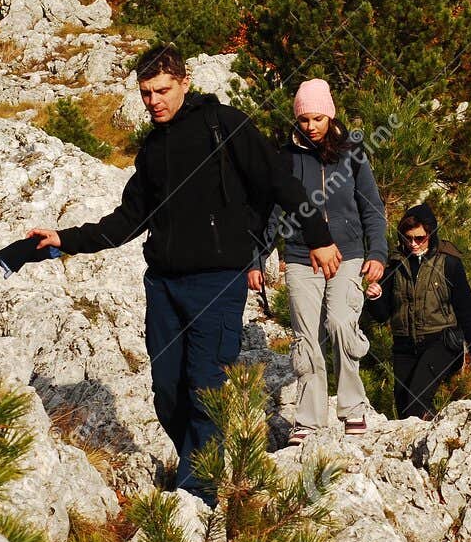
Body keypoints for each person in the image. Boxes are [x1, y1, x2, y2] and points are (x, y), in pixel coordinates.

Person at [24, 44, 340, 501]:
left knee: (204, 387)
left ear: (185, 82)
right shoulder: (153, 149)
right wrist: (65, 239)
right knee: (166, 393)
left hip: (218, 282)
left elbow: (280, 183)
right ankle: (199, 469)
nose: (154, 101)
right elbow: (128, 219)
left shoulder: (226, 125)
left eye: (162, 90)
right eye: (145, 93)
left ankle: (200, 493)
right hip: (164, 287)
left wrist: (319, 236)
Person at [248, 79, 387, 445]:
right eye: (304, 119)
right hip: (299, 255)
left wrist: (378, 254)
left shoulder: (353, 152)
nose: (310, 126)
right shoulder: (286, 157)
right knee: (306, 337)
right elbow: (271, 212)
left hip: (350, 254)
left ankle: (353, 407)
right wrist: (257, 258)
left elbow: (372, 206)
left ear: (330, 115)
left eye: (317, 119)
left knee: (341, 322)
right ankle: (307, 420)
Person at [364, 202, 471, 420]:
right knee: (404, 412)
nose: (413, 244)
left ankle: (438, 440)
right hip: (403, 346)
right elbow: (382, 315)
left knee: (416, 401)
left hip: (441, 342)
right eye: (408, 238)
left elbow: (467, 309)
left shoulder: (449, 262)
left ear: (431, 234)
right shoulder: (393, 265)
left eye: (419, 238)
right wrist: (375, 297)